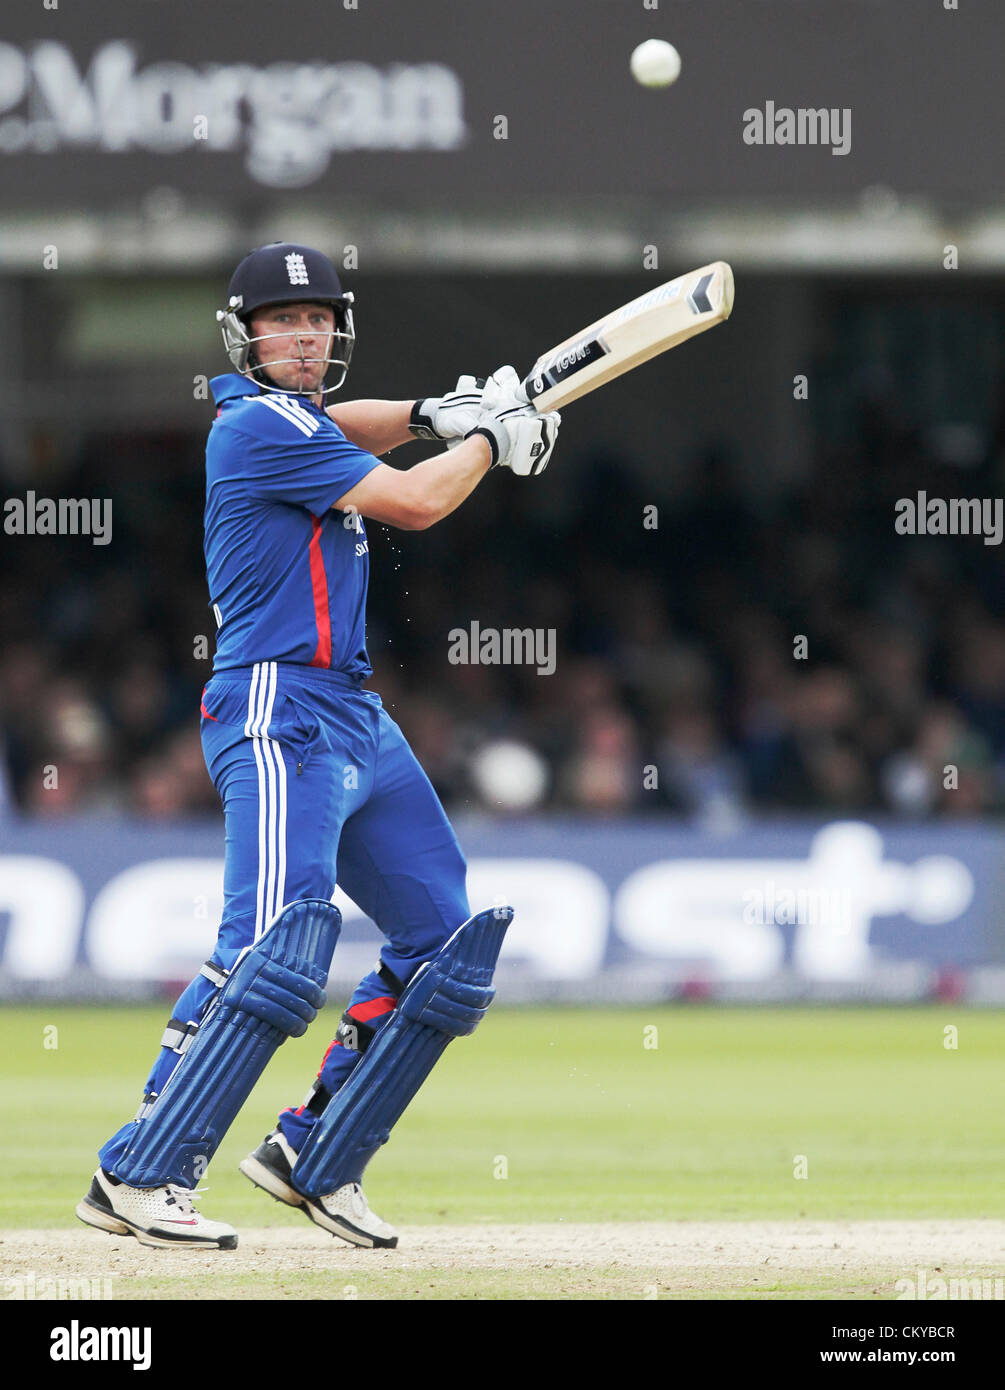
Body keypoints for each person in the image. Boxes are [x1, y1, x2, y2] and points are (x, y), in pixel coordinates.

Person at [76, 242, 559, 1250]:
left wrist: (440, 415)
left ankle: (315, 1154)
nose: (304, 335)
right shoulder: (254, 427)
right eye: (282, 319)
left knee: (444, 948)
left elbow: (355, 423)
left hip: (352, 711)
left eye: (320, 319)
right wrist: (492, 442)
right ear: (244, 334)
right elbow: (419, 502)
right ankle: (138, 1170)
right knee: (275, 946)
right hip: (276, 704)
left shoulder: (305, 421)